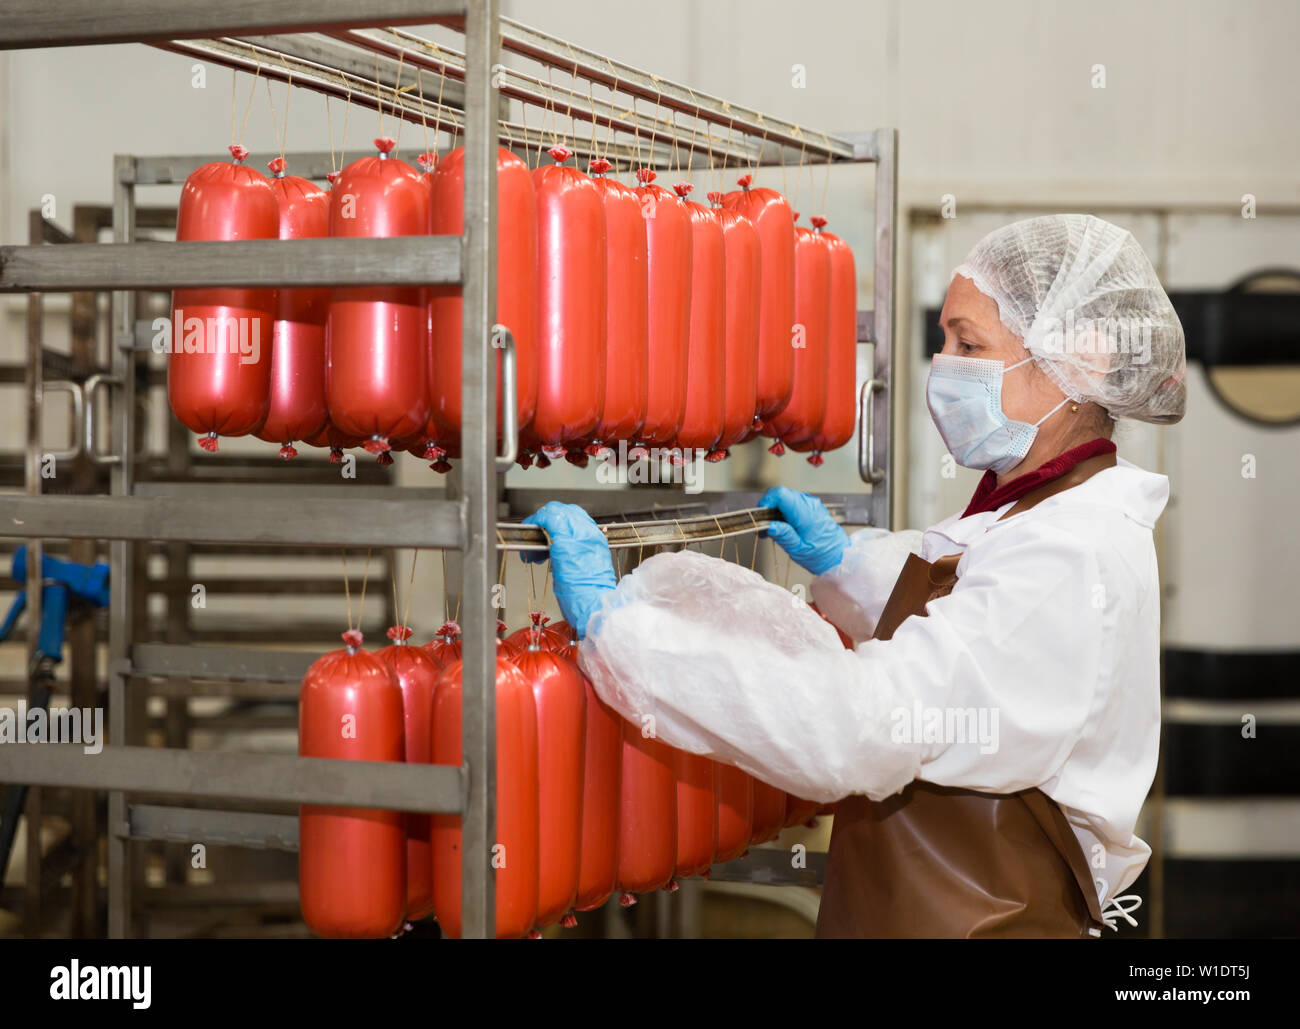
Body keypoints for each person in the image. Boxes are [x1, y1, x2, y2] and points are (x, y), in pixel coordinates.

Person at [523, 214, 1187, 938]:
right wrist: (846, 564)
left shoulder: (1067, 554)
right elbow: (963, 625)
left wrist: (625, 634)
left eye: (970, 344)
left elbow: (860, 724)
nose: (945, 366)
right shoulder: (1036, 514)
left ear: (1078, 365)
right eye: (944, 343)